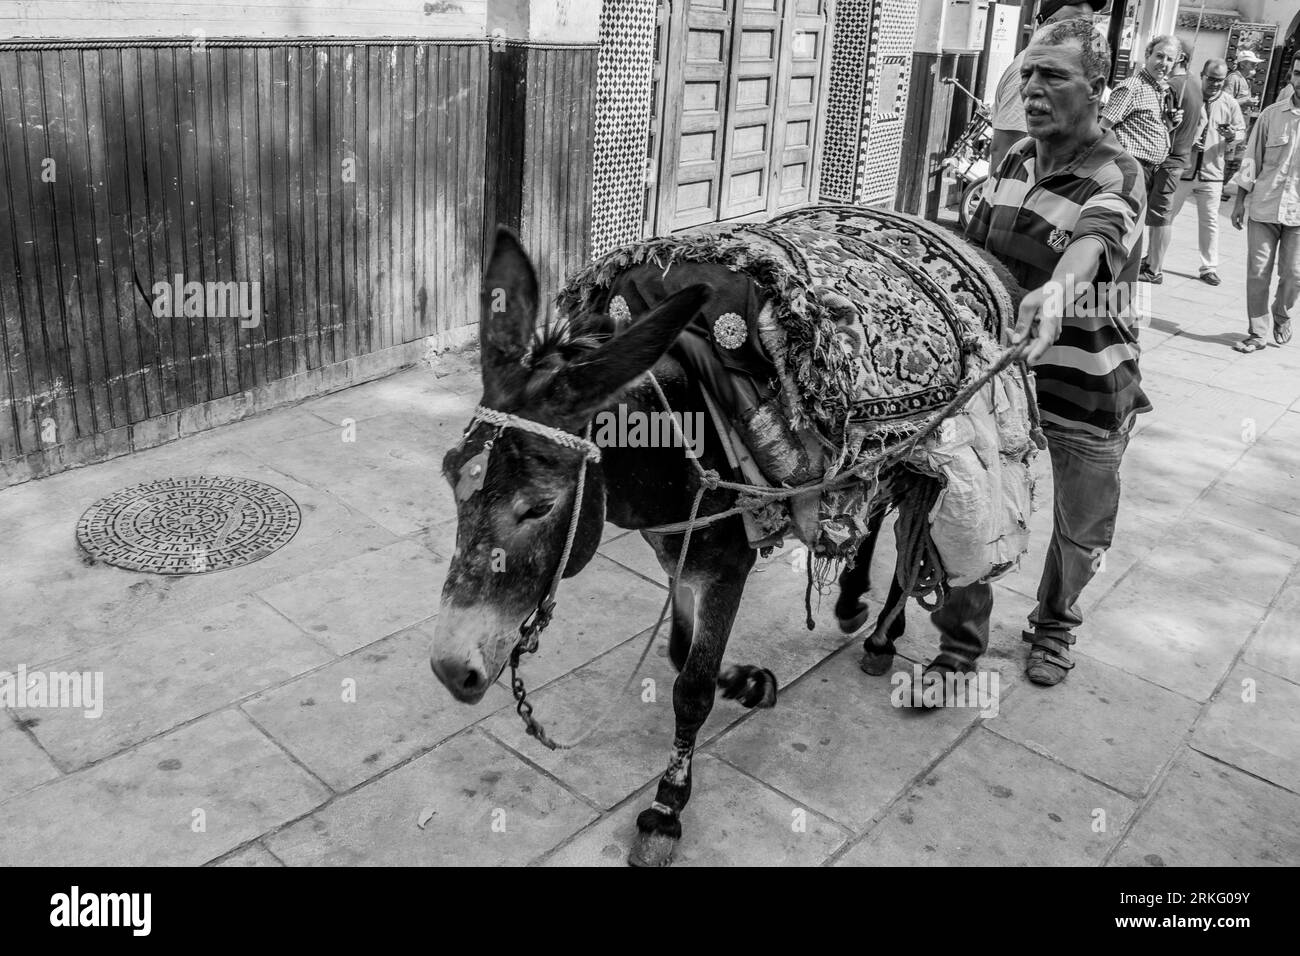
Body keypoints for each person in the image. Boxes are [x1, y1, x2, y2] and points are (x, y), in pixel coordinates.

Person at [927, 17, 1151, 698]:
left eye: (1052, 74)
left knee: (1081, 532)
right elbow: (969, 258)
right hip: (1002, 381)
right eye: (1027, 72)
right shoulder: (1014, 159)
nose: (1032, 86)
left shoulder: (1121, 172)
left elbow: (1095, 239)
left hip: (1089, 385)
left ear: (1098, 88)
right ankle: (960, 645)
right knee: (964, 504)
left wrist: (1055, 294)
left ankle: (1054, 626)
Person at [989, 0, 1109, 177]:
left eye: (1090, 27)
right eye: (1078, 25)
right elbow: (1004, 149)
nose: (1088, 35)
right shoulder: (1029, 72)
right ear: (1051, 27)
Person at [1229, 56, 1300, 353]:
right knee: (1258, 271)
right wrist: (1239, 201)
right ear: (1291, 75)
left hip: (1298, 214)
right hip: (1264, 208)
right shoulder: (1271, 115)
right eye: (1298, 73)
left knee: (1294, 274)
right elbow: (1251, 160)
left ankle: (1281, 313)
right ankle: (1257, 332)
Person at [1166, 59, 1245, 286]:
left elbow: (1241, 133)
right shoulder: (1190, 97)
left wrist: (1231, 135)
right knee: (1167, 215)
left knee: (1210, 221)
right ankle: (1152, 258)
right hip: (1184, 168)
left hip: (1212, 172)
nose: (1215, 84)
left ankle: (1209, 267)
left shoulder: (1229, 103)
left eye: (1220, 80)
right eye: (1211, 79)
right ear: (1202, 75)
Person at [1141, 39, 1203, 283]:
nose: (1165, 63)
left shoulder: (1172, 86)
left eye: (1170, 57)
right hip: (1180, 155)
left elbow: (1160, 125)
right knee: (1160, 215)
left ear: (1179, 58)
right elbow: (1203, 121)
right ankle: (1150, 260)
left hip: (1168, 158)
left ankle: (1154, 269)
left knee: (1160, 217)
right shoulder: (1195, 84)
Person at [1101, 35, 1183, 199]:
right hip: (1128, 168)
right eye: (1159, 56)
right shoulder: (1132, 87)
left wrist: (1170, 125)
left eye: (1169, 59)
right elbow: (1103, 128)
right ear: (1147, 55)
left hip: (1147, 170)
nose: (1163, 63)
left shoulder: (1157, 90)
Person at [1223, 50, 1262, 196]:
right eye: (1252, 63)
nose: (1255, 67)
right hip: (1232, 129)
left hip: (1240, 128)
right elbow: (1225, 102)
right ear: (1243, 64)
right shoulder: (1233, 79)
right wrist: (1245, 101)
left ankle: (1221, 186)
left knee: (1236, 161)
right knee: (1230, 160)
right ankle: (1219, 187)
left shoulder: (1244, 80)